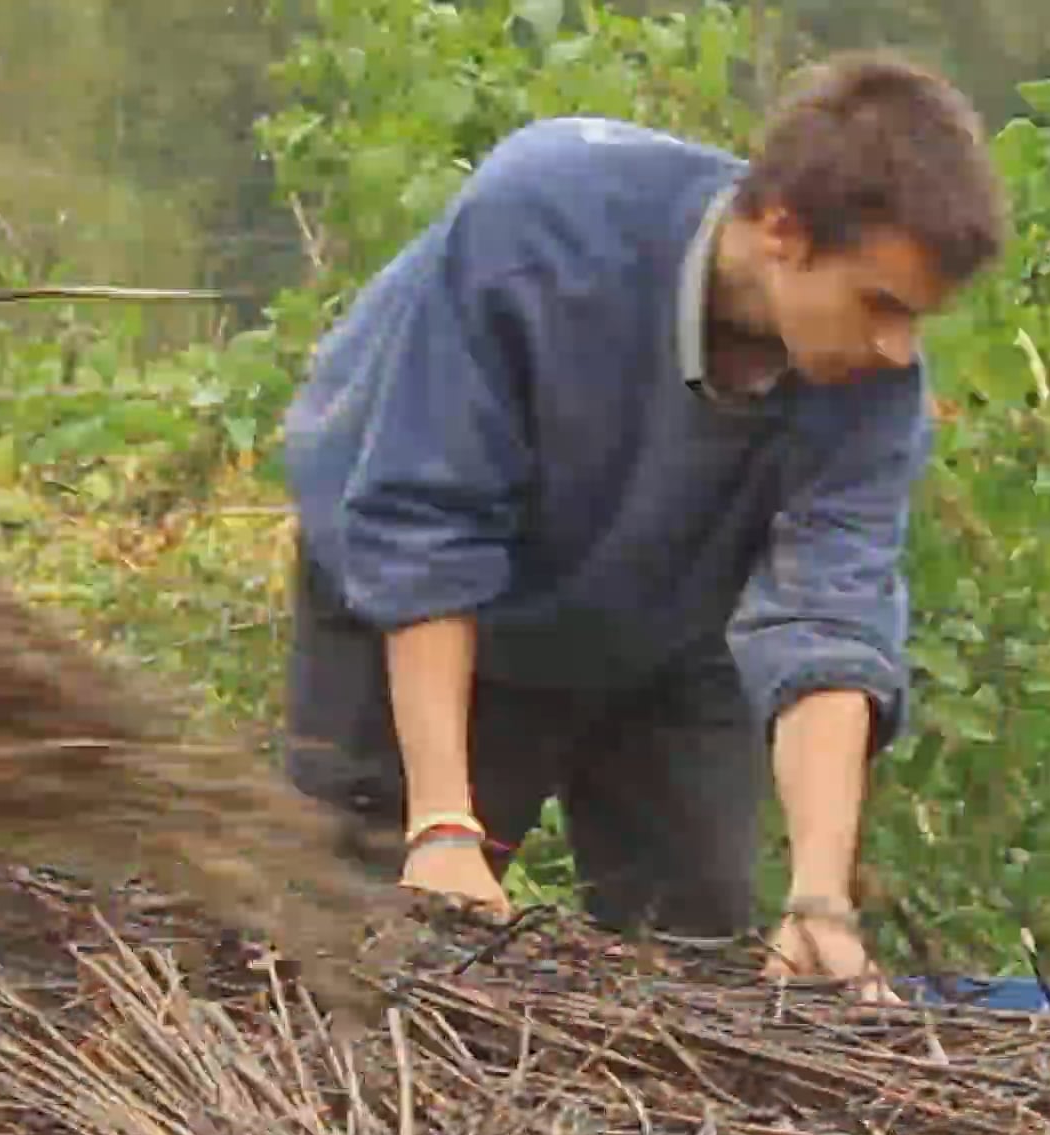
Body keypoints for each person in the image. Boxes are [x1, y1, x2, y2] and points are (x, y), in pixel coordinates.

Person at [278, 54, 1006, 990]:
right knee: (365, 942)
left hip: (667, 626)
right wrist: (445, 825)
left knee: (694, 968)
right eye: (881, 305)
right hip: (414, 601)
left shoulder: (872, 383)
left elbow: (831, 616)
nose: (897, 348)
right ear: (783, 231)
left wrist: (821, 896)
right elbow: (424, 525)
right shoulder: (542, 226)